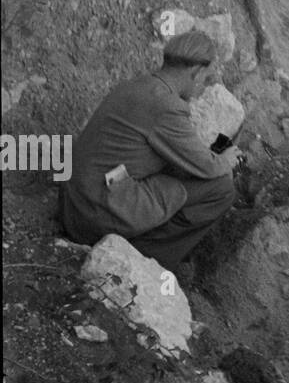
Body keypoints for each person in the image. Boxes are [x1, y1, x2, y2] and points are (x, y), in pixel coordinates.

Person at [58, 32, 241, 274]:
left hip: (74, 204)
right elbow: (207, 167)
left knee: (183, 176)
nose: (203, 86)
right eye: (206, 79)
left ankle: (145, 240)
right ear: (195, 72)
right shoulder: (167, 107)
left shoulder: (138, 85)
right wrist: (226, 160)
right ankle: (145, 258)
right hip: (95, 216)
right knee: (221, 188)